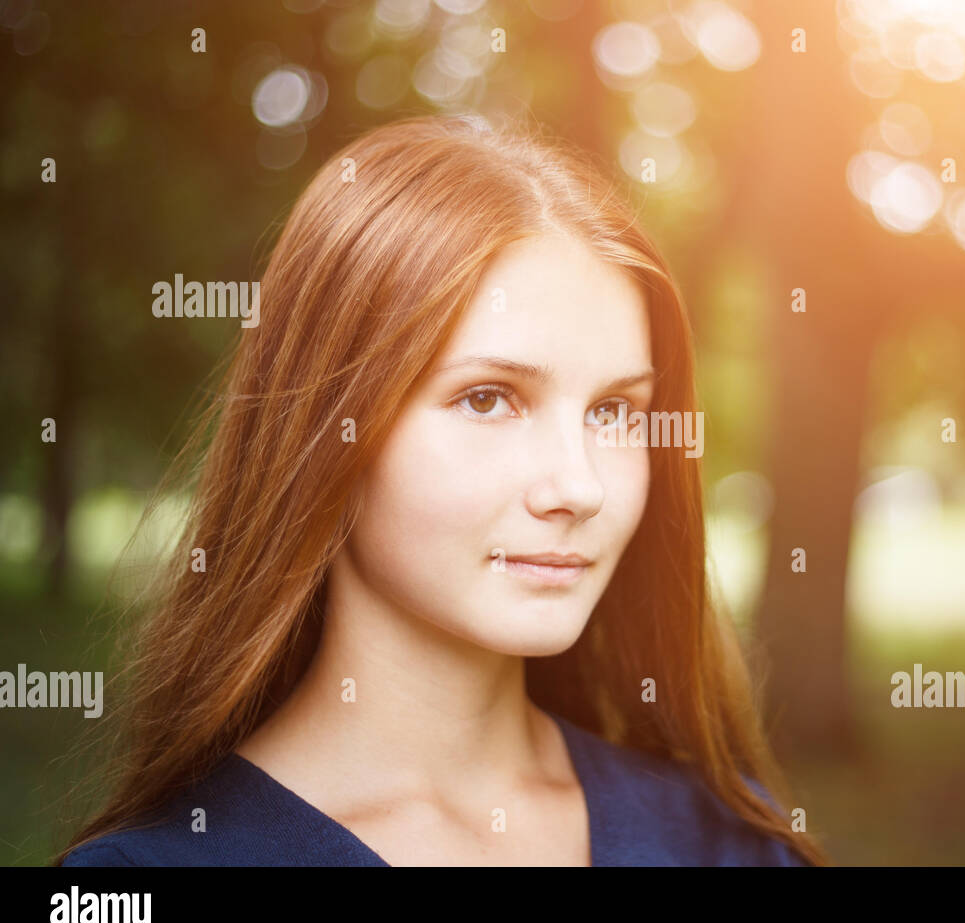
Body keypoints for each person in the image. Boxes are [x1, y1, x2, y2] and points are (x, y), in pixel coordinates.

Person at [56, 115, 827, 866]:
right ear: (328, 431)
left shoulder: (726, 842)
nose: (579, 486)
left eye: (615, 411)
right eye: (488, 398)